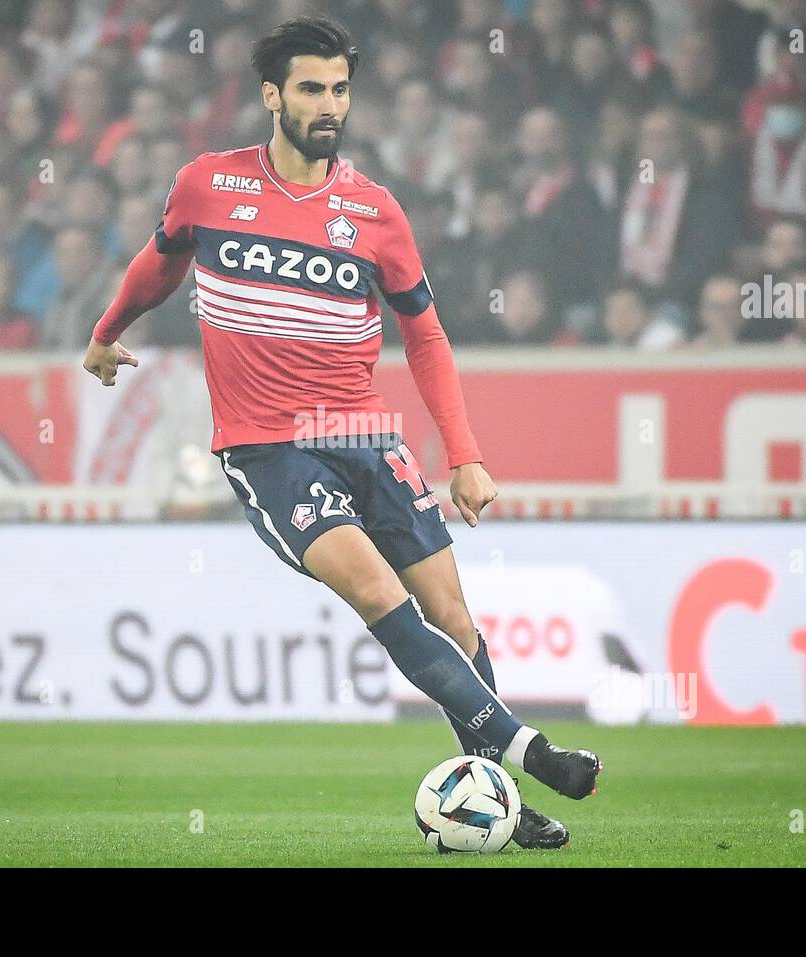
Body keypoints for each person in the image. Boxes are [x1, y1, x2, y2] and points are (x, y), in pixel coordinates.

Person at [82, 16, 601, 850]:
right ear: (272, 96)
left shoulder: (375, 211)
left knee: (455, 620)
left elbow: (425, 335)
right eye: (313, 89)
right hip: (268, 447)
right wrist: (108, 332)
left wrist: (464, 454)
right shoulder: (208, 185)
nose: (331, 106)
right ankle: (529, 751)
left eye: (341, 89)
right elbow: (160, 262)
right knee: (377, 594)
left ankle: (498, 796)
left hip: (363, 437)